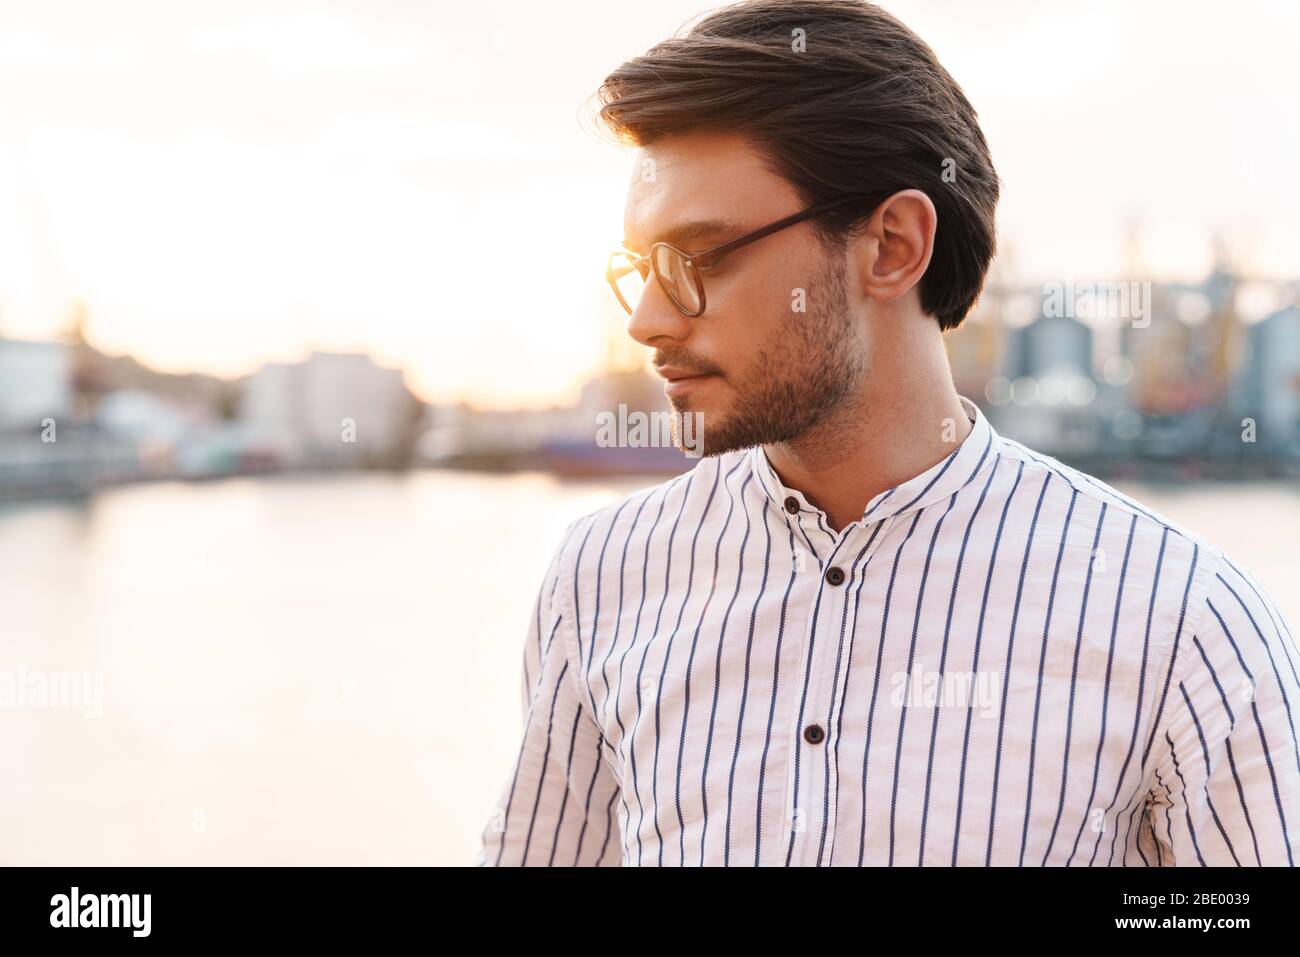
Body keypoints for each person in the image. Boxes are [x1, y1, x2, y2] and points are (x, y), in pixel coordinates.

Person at [477, 0, 1298, 866]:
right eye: (641, 269)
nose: (646, 319)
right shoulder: (599, 578)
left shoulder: (1186, 623)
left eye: (700, 259)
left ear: (894, 244)